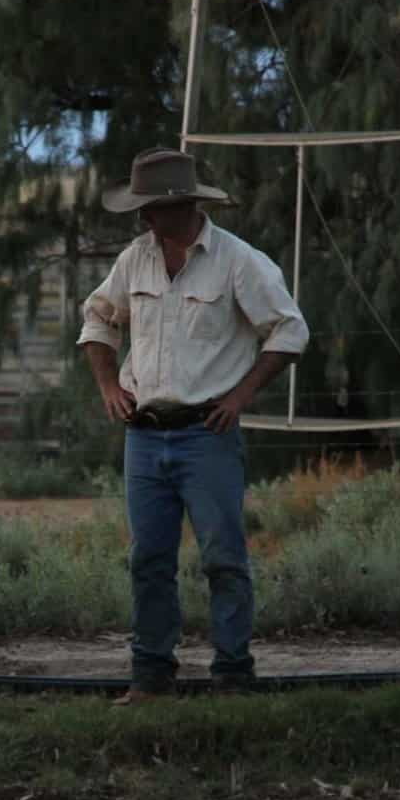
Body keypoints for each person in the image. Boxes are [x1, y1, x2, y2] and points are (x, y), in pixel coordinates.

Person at [77, 147, 309, 704]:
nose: (143, 220)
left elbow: (288, 332)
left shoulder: (237, 261)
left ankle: (233, 671)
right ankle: (152, 673)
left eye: (150, 209)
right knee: (148, 559)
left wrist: (240, 396)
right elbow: (98, 321)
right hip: (144, 430)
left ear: (177, 206)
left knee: (223, 555)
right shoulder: (136, 260)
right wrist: (109, 387)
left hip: (206, 432)